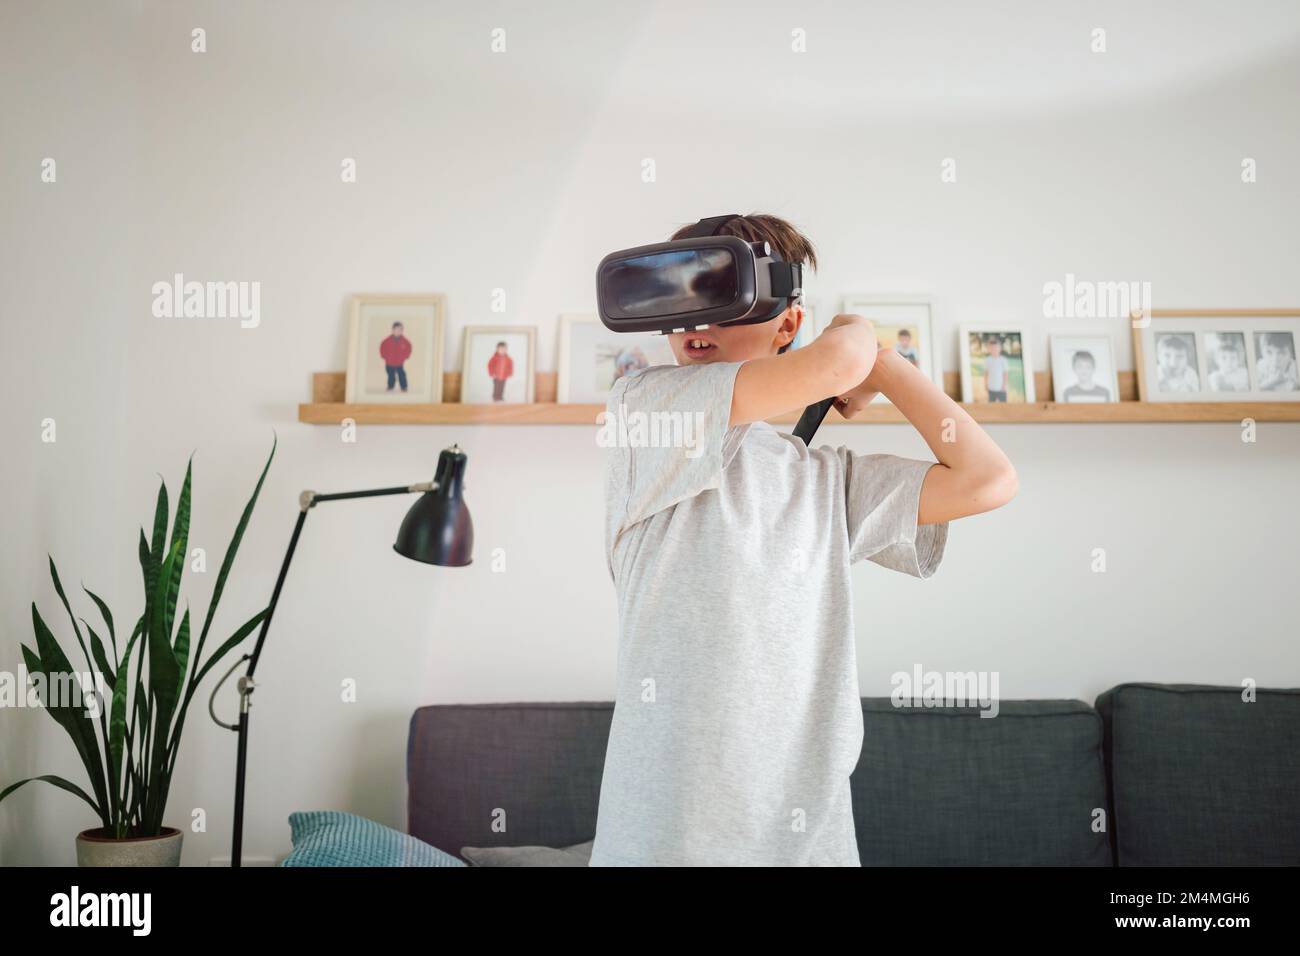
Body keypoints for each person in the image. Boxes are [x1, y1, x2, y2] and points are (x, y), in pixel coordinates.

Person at [591, 213, 1017, 866]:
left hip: (808, 836)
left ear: (787, 323)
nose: (698, 322)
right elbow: (835, 361)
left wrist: (891, 371)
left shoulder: (824, 481)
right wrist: (856, 340)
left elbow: (988, 479)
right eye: (683, 299)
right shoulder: (643, 411)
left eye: (723, 296)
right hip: (667, 832)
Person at [379, 321, 412, 392]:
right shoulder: (386, 341)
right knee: (391, 375)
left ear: (402, 331)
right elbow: (382, 348)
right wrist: (384, 356)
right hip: (389, 362)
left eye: (400, 330)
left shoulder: (405, 341)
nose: (398, 331)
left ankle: (404, 387)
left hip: (399, 363)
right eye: (396, 330)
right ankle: (390, 386)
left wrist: (406, 356)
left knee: (401, 375)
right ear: (393, 330)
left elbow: (409, 348)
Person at [983, 335, 1010, 401]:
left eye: (995, 348)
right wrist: (986, 384)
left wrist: (1004, 385)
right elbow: (986, 373)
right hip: (991, 388)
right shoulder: (987, 360)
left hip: (1001, 388)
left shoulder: (1003, 360)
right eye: (992, 348)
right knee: (991, 404)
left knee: (1003, 405)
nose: (994, 350)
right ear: (989, 349)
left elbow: (1005, 374)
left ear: (999, 348)